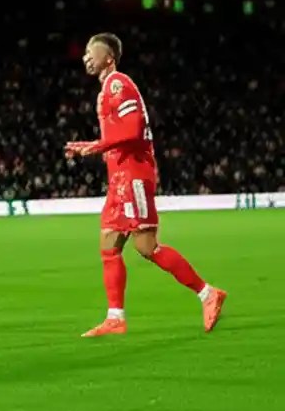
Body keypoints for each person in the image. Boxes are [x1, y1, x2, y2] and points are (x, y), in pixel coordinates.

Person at [64, 33, 226, 337]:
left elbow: (134, 129)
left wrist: (97, 146)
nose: (85, 56)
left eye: (90, 51)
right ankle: (115, 318)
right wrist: (96, 146)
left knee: (147, 246)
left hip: (134, 175)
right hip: (120, 179)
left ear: (108, 57)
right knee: (109, 246)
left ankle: (208, 294)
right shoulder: (105, 91)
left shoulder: (118, 83)